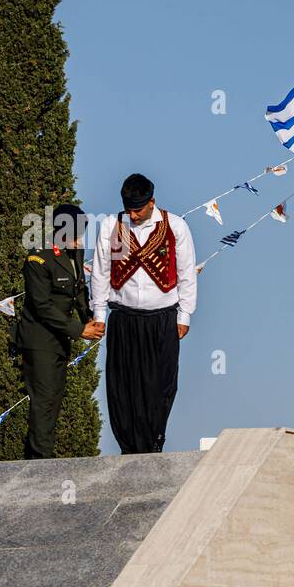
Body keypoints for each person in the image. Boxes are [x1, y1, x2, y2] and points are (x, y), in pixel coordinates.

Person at [92, 173, 196, 454]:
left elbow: (187, 273)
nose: (133, 215)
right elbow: (100, 272)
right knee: (123, 386)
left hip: (163, 318)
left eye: (138, 209)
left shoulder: (176, 226)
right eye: (129, 209)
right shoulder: (110, 226)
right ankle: (128, 447)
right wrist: (99, 314)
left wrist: (184, 315)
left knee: (161, 385)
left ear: (152, 202)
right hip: (123, 317)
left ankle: (154, 440)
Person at [15, 203, 103, 459]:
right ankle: (39, 460)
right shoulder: (38, 258)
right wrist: (78, 330)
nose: (79, 239)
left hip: (59, 339)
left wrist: (91, 318)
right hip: (40, 339)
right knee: (43, 401)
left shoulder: (74, 253)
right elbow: (41, 306)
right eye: (76, 232)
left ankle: (43, 456)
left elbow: (78, 292)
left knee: (54, 399)